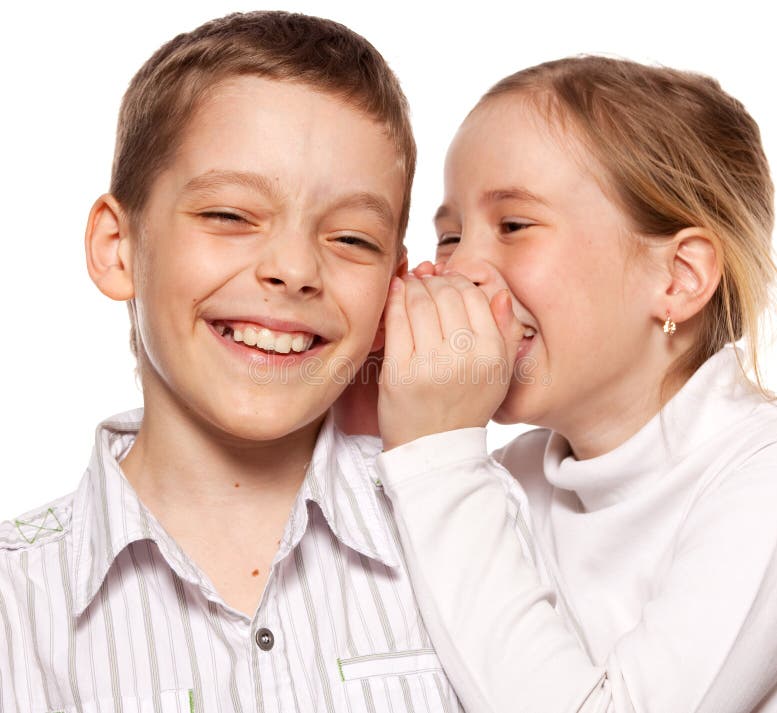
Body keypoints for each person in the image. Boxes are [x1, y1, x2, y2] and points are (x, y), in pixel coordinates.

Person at [0, 12, 466, 713]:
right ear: (117, 246)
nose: (292, 268)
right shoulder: (17, 605)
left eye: (350, 237)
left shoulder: (474, 534)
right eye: (228, 215)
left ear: (393, 287)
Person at [374, 57, 777, 712]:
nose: (459, 269)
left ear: (678, 279)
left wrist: (438, 455)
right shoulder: (507, 477)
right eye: (449, 235)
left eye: (513, 226)